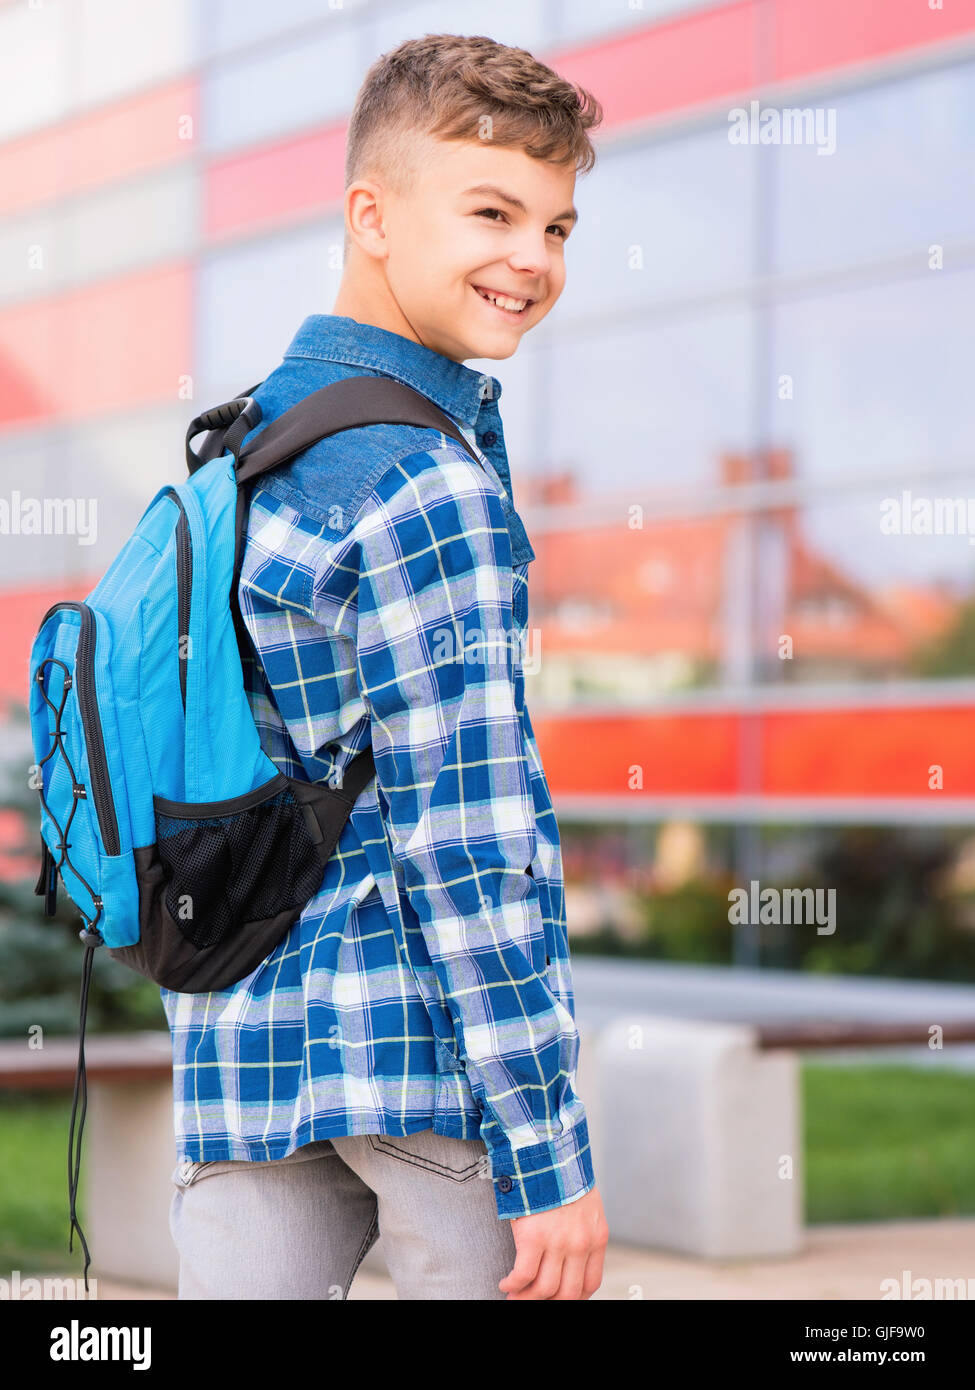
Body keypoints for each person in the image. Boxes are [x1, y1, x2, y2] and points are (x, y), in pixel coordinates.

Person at [162, 31, 608, 1301]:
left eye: (561, 227)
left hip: (239, 1053)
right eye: (492, 210)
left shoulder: (236, 447)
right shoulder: (425, 485)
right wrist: (552, 1154)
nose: (534, 257)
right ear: (371, 214)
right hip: (424, 1067)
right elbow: (469, 837)